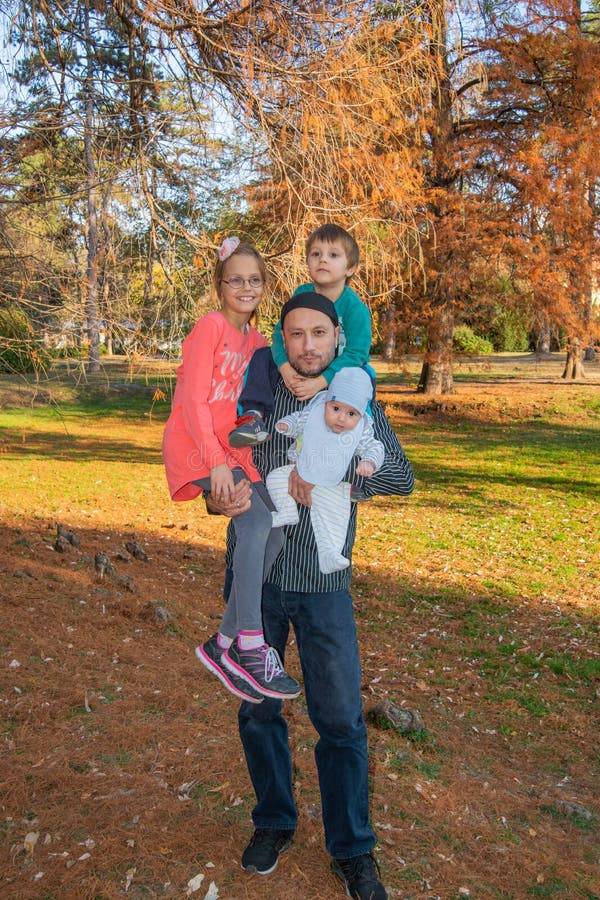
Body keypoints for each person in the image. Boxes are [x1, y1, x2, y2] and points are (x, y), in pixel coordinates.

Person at [206, 292, 414, 900]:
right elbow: (219, 475)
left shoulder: (353, 398)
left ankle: (352, 849)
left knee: (341, 722)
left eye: (317, 333)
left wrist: (332, 473)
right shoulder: (256, 395)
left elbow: (400, 478)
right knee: (258, 711)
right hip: (257, 590)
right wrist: (215, 497)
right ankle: (273, 821)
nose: (306, 345)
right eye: (295, 334)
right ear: (283, 338)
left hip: (325, 589)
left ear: (335, 340)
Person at [162, 236, 300, 705]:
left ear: (264, 284)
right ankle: (250, 642)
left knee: (276, 529)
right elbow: (191, 401)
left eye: (255, 280)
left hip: (233, 451)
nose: (246, 287)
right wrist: (216, 463)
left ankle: (220, 645)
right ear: (220, 285)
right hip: (197, 445)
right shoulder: (210, 327)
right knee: (255, 520)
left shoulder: (257, 342)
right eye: (237, 279)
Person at [229, 223, 372, 447]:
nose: (322, 259)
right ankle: (253, 416)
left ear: (350, 268)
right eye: (316, 254)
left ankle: (363, 429)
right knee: (262, 356)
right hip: (301, 360)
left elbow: (357, 352)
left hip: (341, 367)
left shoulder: (355, 308)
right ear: (307, 262)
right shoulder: (301, 294)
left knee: (363, 375)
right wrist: (284, 367)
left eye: (333, 255)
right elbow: (280, 335)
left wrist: (321, 381)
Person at [266, 366, 384, 573]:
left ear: (360, 415)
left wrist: (369, 462)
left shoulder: (361, 429)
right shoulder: (315, 412)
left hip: (333, 481)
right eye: (335, 409)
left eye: (351, 414)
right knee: (275, 479)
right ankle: (287, 512)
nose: (341, 418)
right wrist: (287, 425)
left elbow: (375, 447)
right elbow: (299, 420)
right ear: (326, 403)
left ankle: (331, 554)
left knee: (335, 516)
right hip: (298, 468)